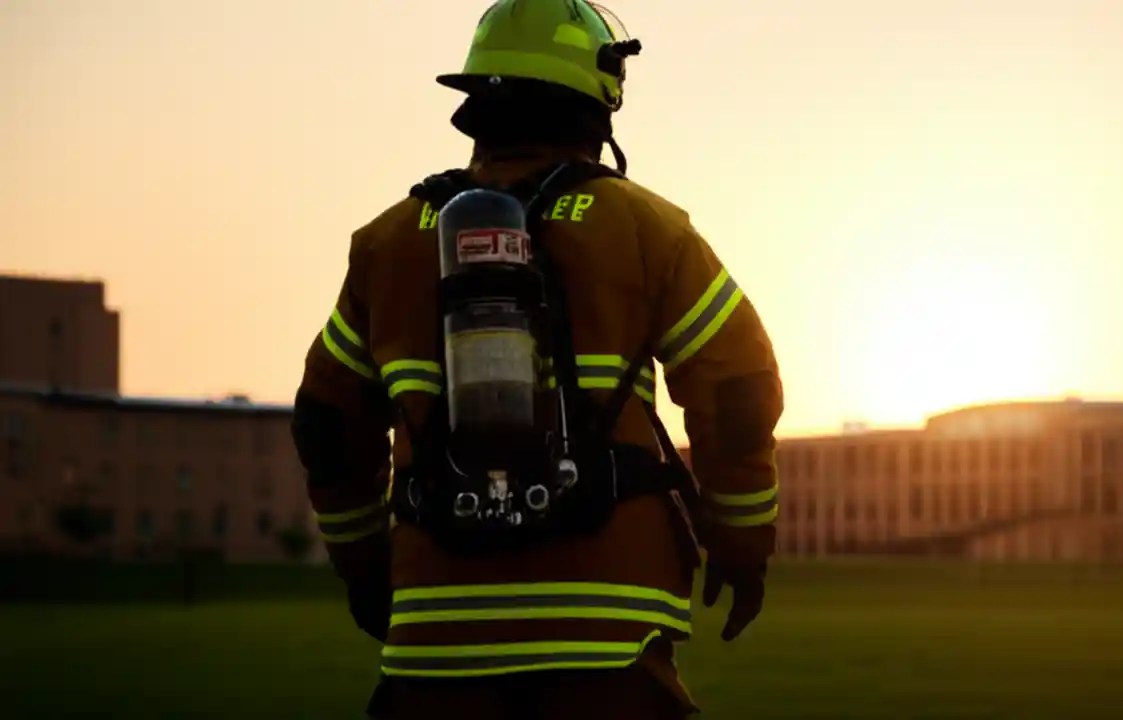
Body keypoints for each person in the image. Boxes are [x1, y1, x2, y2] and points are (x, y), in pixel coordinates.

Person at [288, 1, 784, 717]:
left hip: (434, 644)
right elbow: (739, 393)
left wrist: (365, 568)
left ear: (476, 101)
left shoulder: (388, 241)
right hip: (608, 639)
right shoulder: (648, 229)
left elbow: (326, 425)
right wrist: (741, 540)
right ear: (598, 99)